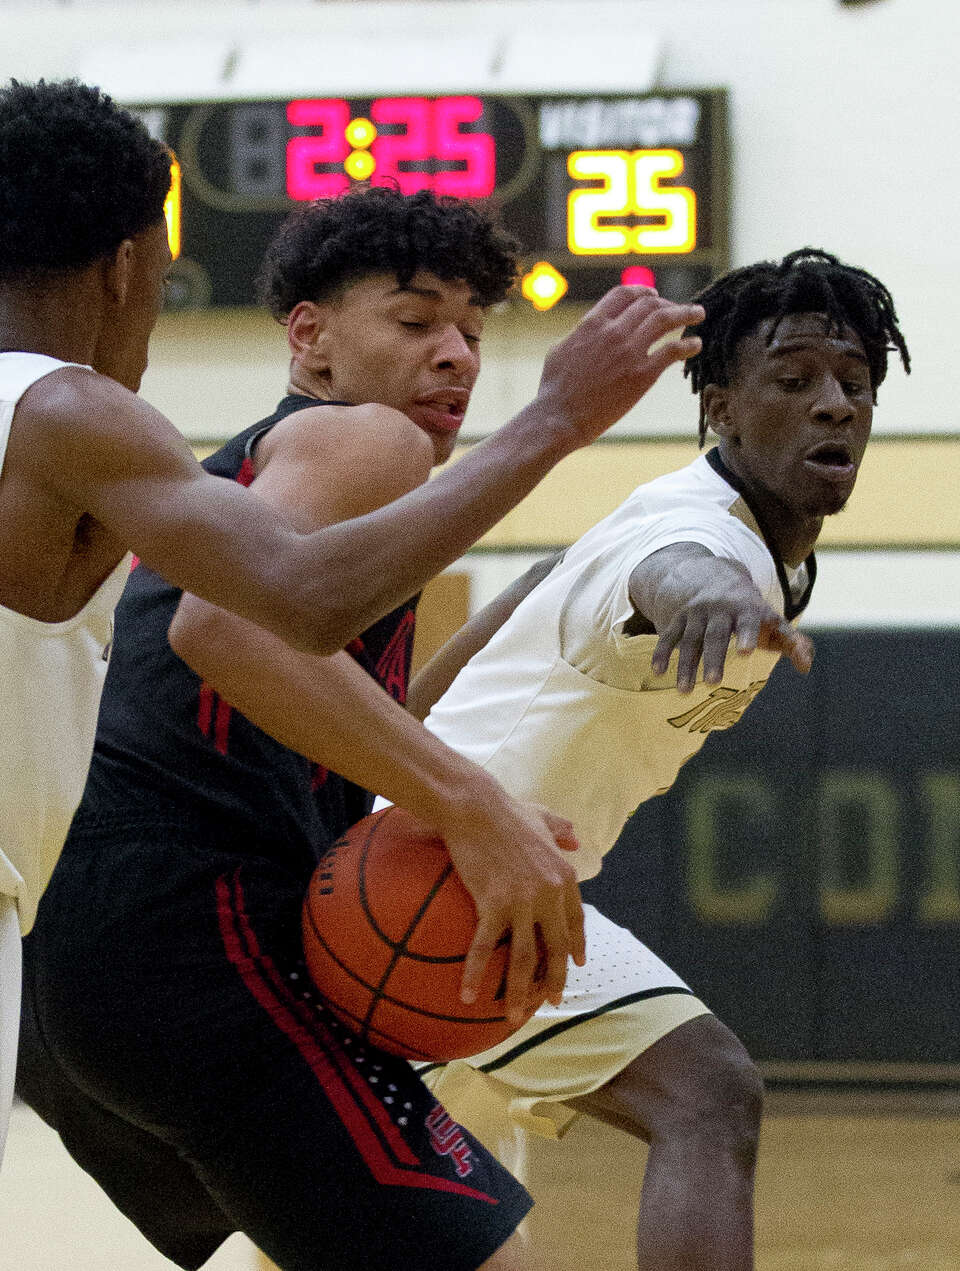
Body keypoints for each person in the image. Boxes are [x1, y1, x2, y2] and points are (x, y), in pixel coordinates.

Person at [0, 80, 696, 1271]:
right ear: (124, 264)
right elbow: (283, 606)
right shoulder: (79, 414)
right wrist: (554, 417)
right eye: (155, 270)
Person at [17, 184, 704, 1271]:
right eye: (416, 319)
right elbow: (225, 634)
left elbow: (289, 691)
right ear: (311, 338)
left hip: (73, 955)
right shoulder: (363, 437)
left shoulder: (257, 478)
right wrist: (472, 805)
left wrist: (458, 705)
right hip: (194, 931)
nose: (457, 356)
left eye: (474, 333)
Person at [400, 248, 912, 1270]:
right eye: (795, 378)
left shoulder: (753, 541)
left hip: (483, 893)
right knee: (707, 1091)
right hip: (443, 893)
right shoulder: (694, 530)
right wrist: (707, 594)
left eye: (853, 383)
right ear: (720, 404)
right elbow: (664, 569)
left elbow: (545, 580)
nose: (832, 406)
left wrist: (393, 729)